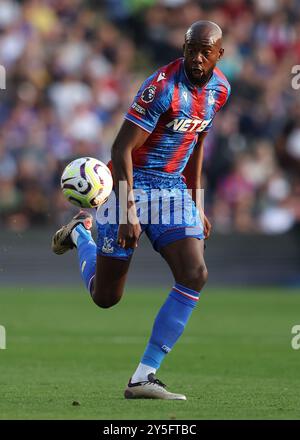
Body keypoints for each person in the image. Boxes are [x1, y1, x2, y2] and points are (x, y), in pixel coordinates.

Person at [52, 20, 230, 400]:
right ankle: (81, 232)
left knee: (195, 273)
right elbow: (120, 150)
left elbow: (197, 141)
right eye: (190, 49)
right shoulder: (162, 88)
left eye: (204, 51)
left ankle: (143, 376)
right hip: (129, 185)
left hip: (172, 190)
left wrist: (197, 203)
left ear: (219, 54)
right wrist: (129, 210)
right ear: (182, 48)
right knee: (106, 297)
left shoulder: (220, 90)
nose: (196, 58)